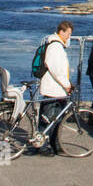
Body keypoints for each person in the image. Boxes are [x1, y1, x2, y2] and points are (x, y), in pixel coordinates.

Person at [38, 20, 74, 148]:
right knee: (48, 118)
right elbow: (56, 69)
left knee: (56, 119)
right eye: (68, 34)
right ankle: (42, 146)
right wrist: (66, 84)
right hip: (53, 89)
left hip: (57, 89)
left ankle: (55, 144)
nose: (69, 37)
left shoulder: (56, 45)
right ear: (61, 31)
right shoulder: (55, 46)